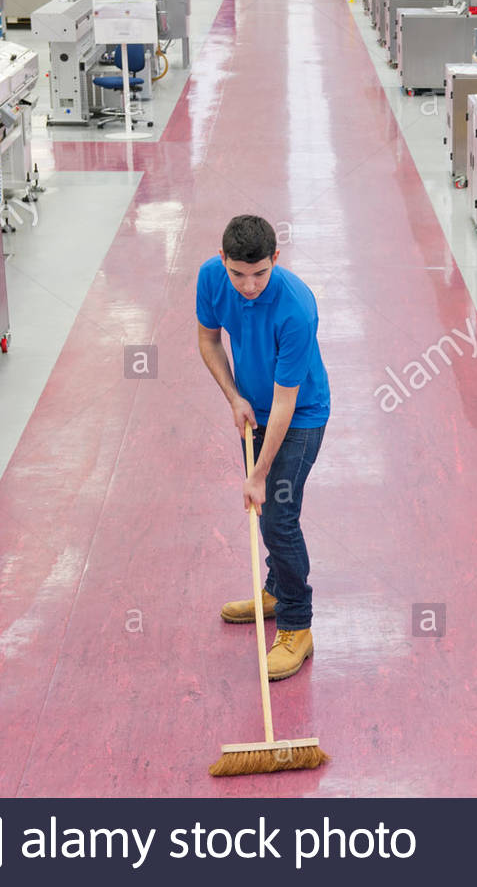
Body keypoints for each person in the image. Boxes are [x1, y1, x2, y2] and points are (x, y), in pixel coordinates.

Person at [196, 215, 331, 681]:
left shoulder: (296, 308)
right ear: (222, 261)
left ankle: (297, 624)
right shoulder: (211, 278)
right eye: (238, 274)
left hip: (300, 414)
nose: (248, 285)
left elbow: (286, 402)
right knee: (267, 511)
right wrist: (234, 396)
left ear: (276, 259)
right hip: (255, 406)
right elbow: (208, 340)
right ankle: (275, 589)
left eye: (259, 273)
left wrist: (257, 475)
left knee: (278, 515)